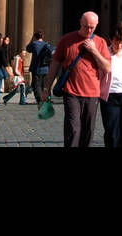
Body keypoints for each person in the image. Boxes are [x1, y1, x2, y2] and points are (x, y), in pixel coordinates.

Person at [44, 11, 112, 148]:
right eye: (86, 26)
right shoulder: (67, 40)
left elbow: (107, 68)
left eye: (92, 27)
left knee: (89, 130)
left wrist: (94, 51)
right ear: (81, 22)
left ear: (97, 25)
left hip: (92, 93)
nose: (89, 30)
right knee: (73, 128)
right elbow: (55, 64)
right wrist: (47, 88)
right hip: (71, 92)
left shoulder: (100, 42)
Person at [25, 31, 53, 105]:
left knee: (36, 85)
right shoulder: (46, 44)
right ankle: (47, 99)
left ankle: (40, 100)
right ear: (42, 36)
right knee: (45, 86)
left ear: (35, 37)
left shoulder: (34, 44)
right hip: (45, 68)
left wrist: (32, 40)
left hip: (36, 69)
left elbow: (27, 49)